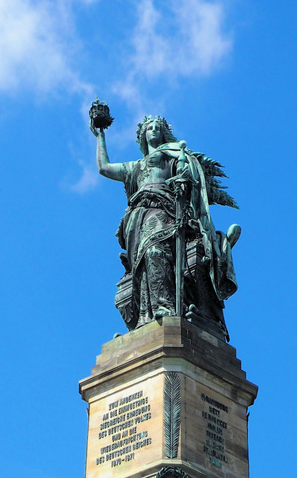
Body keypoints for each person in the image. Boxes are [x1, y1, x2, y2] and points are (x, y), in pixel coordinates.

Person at [94, 111, 238, 334]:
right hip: (136, 218)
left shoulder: (171, 156)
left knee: (155, 251)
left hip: (164, 209)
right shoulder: (135, 167)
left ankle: (166, 307)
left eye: (157, 127)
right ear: (142, 136)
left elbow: (189, 178)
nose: (153, 130)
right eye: (149, 127)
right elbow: (104, 168)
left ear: (164, 134)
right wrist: (100, 137)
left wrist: (183, 179)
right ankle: (146, 317)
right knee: (139, 264)